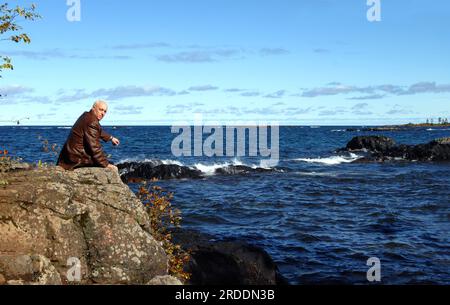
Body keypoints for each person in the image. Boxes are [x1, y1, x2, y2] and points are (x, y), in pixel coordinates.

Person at [57, 100, 120, 171]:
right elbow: (94, 148)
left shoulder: (87, 116)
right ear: (94, 108)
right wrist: (105, 164)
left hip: (69, 157)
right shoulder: (92, 122)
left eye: (105, 111)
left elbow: (98, 131)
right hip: (76, 160)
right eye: (101, 110)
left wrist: (111, 138)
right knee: (112, 166)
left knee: (109, 162)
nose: (103, 113)